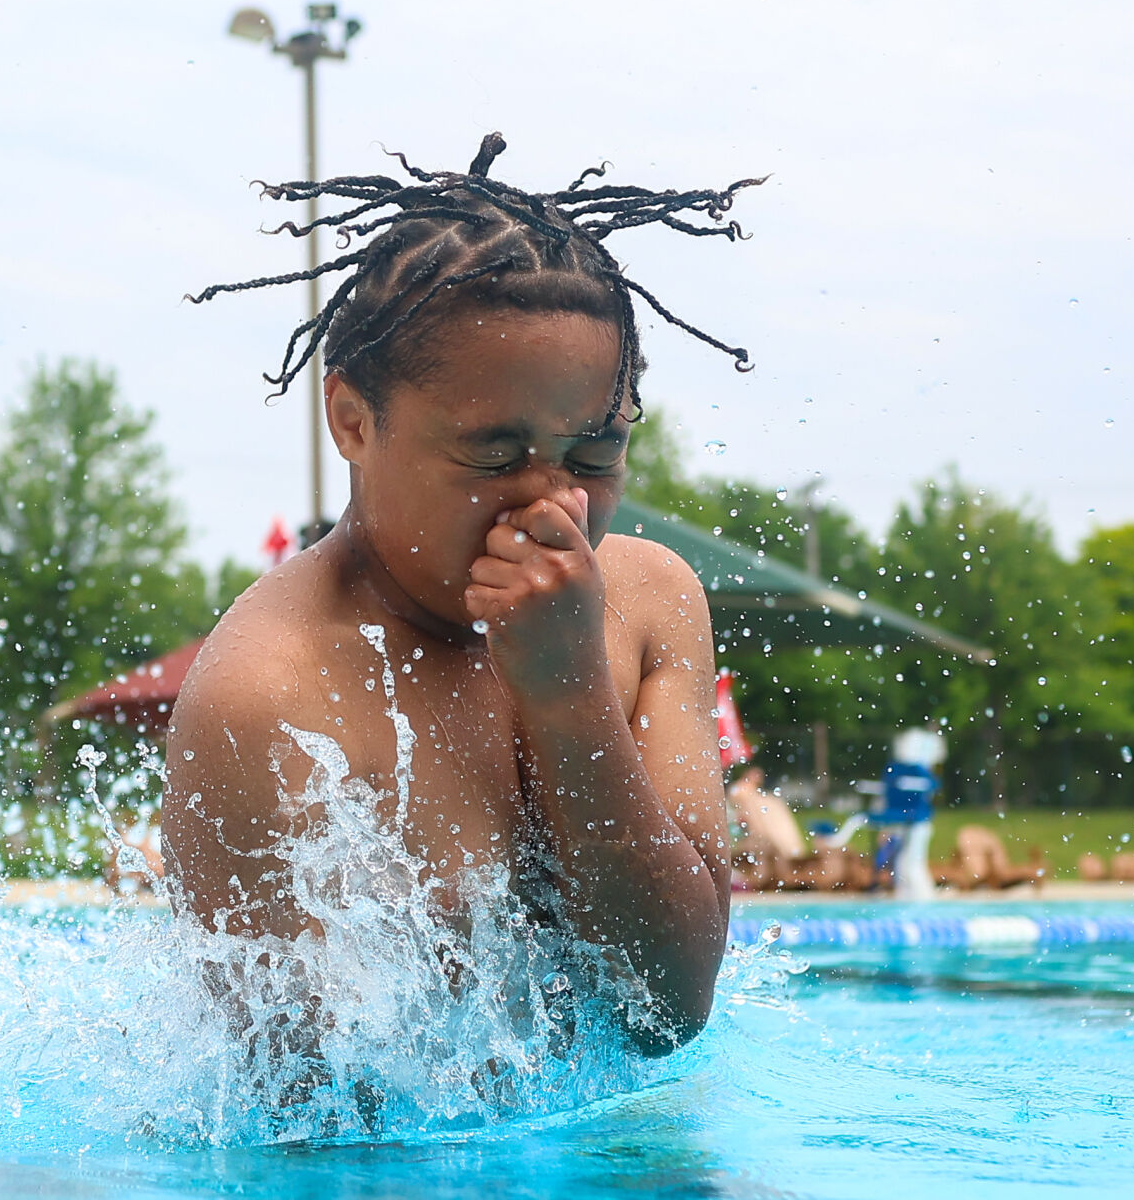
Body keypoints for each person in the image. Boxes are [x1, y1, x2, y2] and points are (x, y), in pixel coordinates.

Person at [162, 135, 763, 1054]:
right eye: (496, 456)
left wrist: (571, 699)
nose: (556, 504)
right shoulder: (269, 696)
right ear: (353, 421)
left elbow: (672, 1008)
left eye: (595, 455)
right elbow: (303, 1110)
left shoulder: (649, 602)